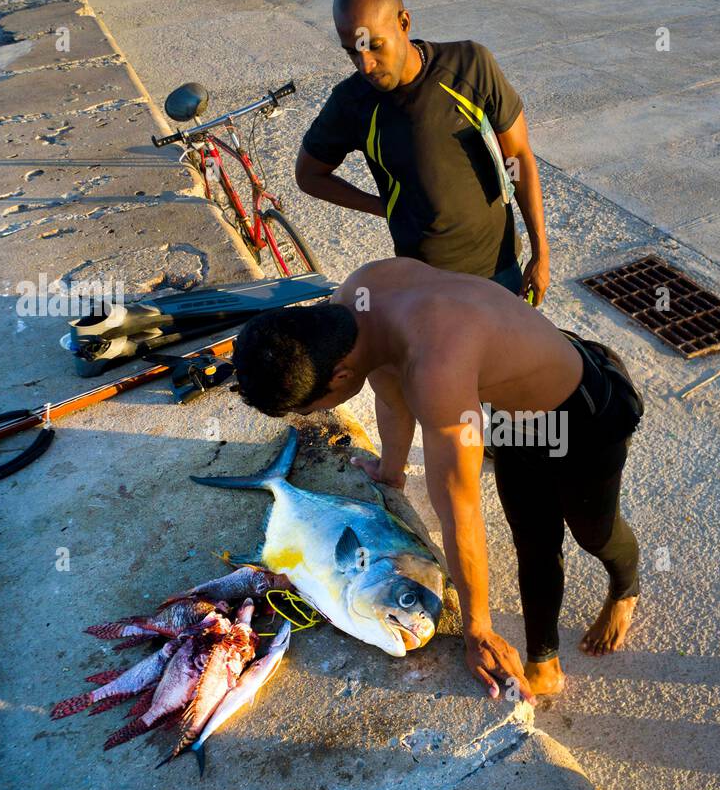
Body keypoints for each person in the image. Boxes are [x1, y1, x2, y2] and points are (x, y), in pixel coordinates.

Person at [229, 257, 643, 699]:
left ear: (340, 376)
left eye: (310, 407)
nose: (310, 415)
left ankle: (625, 590)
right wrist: (391, 474)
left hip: (586, 414)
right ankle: (544, 660)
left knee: (593, 533)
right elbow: (389, 389)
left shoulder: (436, 372)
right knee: (533, 538)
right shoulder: (356, 300)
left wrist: (477, 630)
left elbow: (460, 511)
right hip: (516, 406)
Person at [295, 0, 550, 304]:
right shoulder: (352, 102)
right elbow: (309, 175)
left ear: (403, 23)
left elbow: (518, 155)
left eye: (375, 45)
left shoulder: (469, 65)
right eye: (352, 51)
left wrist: (540, 253)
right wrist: (385, 207)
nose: (365, 65)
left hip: (501, 271)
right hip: (426, 286)